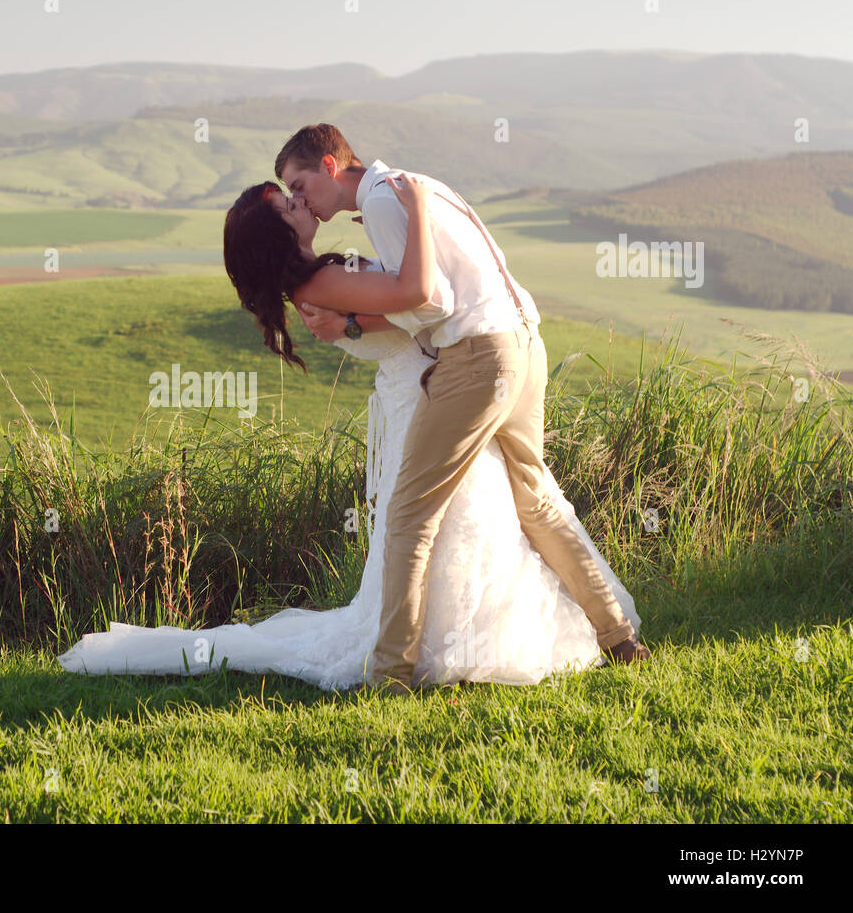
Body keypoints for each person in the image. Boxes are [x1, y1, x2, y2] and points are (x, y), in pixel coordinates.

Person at [55, 173, 644, 691]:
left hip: (443, 385)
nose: (298, 203)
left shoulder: (329, 274)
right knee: (441, 518)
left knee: (484, 513)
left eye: (293, 193)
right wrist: (415, 215)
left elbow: (408, 311)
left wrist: (368, 316)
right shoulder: (318, 286)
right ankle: (409, 662)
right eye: (286, 205)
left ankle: (451, 649)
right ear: (278, 234)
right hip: (429, 394)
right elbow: (422, 298)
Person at [274, 124, 651, 694]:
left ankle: (390, 674)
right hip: (524, 341)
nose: (300, 200)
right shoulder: (409, 185)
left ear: (330, 165)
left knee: (409, 514)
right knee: (538, 501)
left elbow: (430, 301)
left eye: (300, 185)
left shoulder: (380, 201)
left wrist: (351, 321)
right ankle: (619, 638)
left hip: (477, 357)